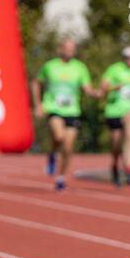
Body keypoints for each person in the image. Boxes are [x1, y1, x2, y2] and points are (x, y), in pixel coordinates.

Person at [31, 38, 100, 191]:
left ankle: (61, 177)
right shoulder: (50, 66)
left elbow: (87, 88)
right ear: (60, 49)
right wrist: (38, 105)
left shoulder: (80, 68)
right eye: (68, 48)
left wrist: (97, 93)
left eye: (73, 49)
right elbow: (36, 82)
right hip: (54, 108)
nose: (70, 52)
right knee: (58, 136)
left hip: (72, 111)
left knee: (68, 148)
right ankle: (52, 154)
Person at [99, 45, 130, 187]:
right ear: (123, 57)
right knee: (116, 144)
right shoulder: (114, 69)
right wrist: (115, 87)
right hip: (114, 110)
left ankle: (129, 169)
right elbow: (103, 87)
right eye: (127, 57)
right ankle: (114, 164)